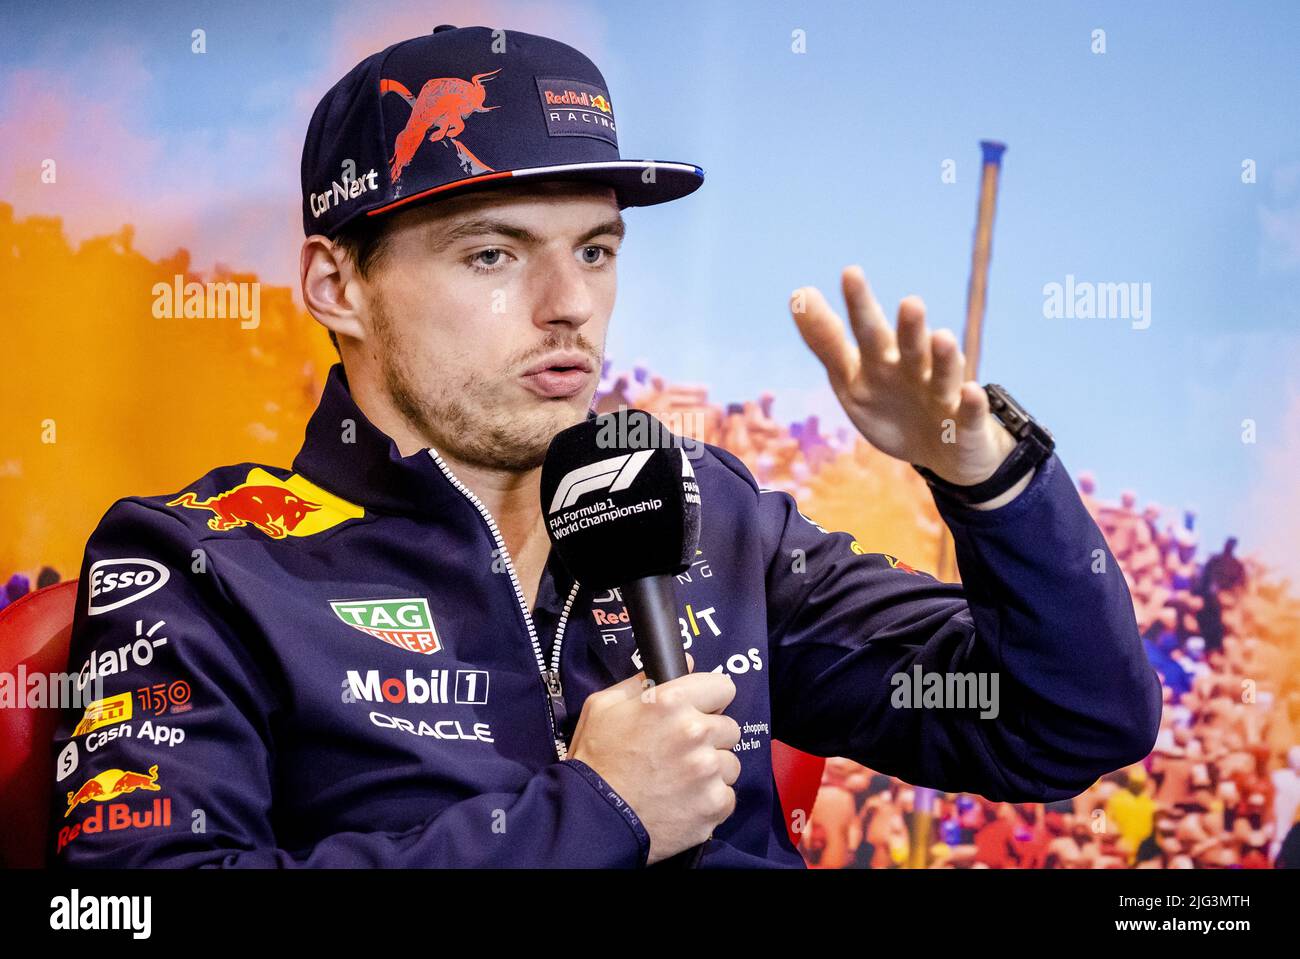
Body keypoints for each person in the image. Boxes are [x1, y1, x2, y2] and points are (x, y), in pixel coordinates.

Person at [50, 25, 1161, 869]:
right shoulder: (204, 561)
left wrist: (991, 478)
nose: (567, 304)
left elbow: (1065, 726)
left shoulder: (713, 514)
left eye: (595, 249)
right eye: (492, 255)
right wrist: (594, 813)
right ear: (336, 283)